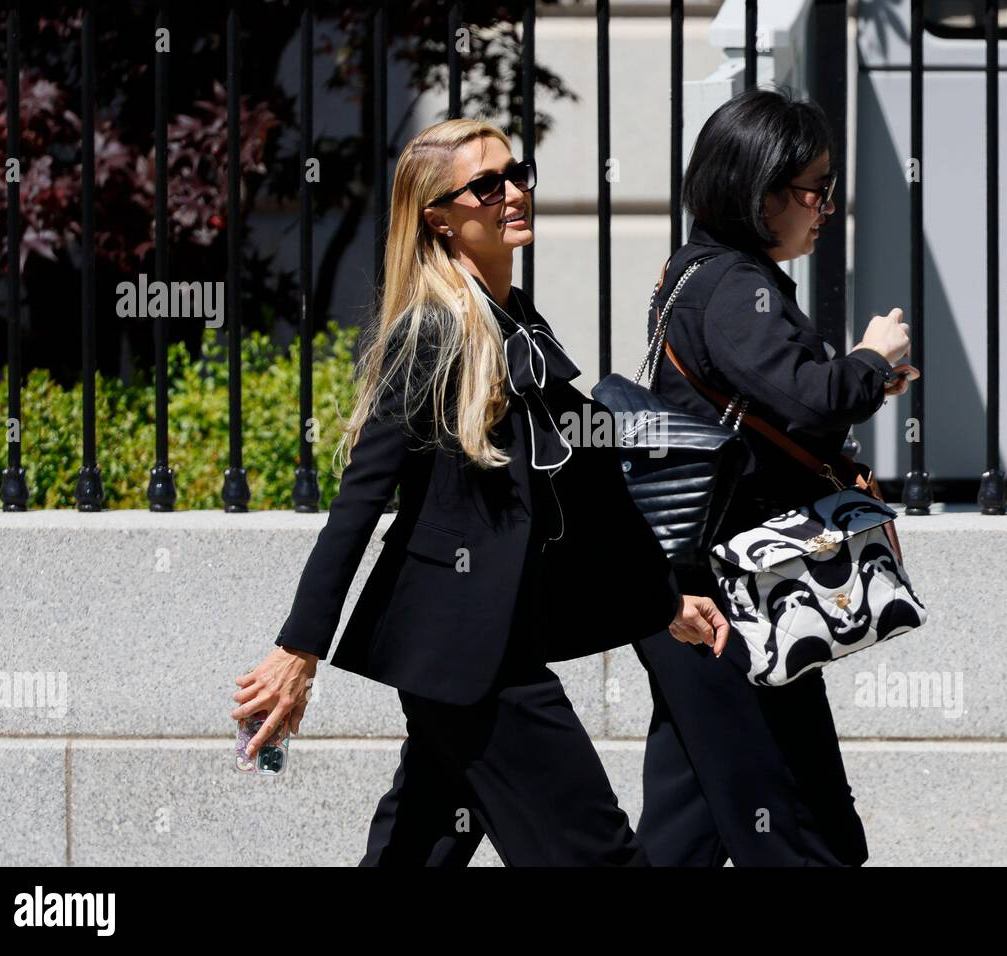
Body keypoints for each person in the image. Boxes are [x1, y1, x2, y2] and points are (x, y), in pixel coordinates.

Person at [230, 118, 729, 866]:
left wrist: (663, 601)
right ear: (439, 216)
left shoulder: (517, 324)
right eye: (487, 185)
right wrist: (298, 650)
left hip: (480, 648)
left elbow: (591, 485)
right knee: (597, 854)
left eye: (517, 174)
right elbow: (360, 503)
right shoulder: (431, 334)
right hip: (473, 658)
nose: (514, 193)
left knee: (418, 850)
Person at [631, 88, 919, 866]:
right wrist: (871, 357)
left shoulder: (700, 274)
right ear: (757, 191)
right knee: (795, 820)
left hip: (704, 584)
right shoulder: (734, 286)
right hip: (732, 593)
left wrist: (855, 384)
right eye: (814, 190)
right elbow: (809, 392)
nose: (825, 207)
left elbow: (767, 406)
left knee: (687, 823)